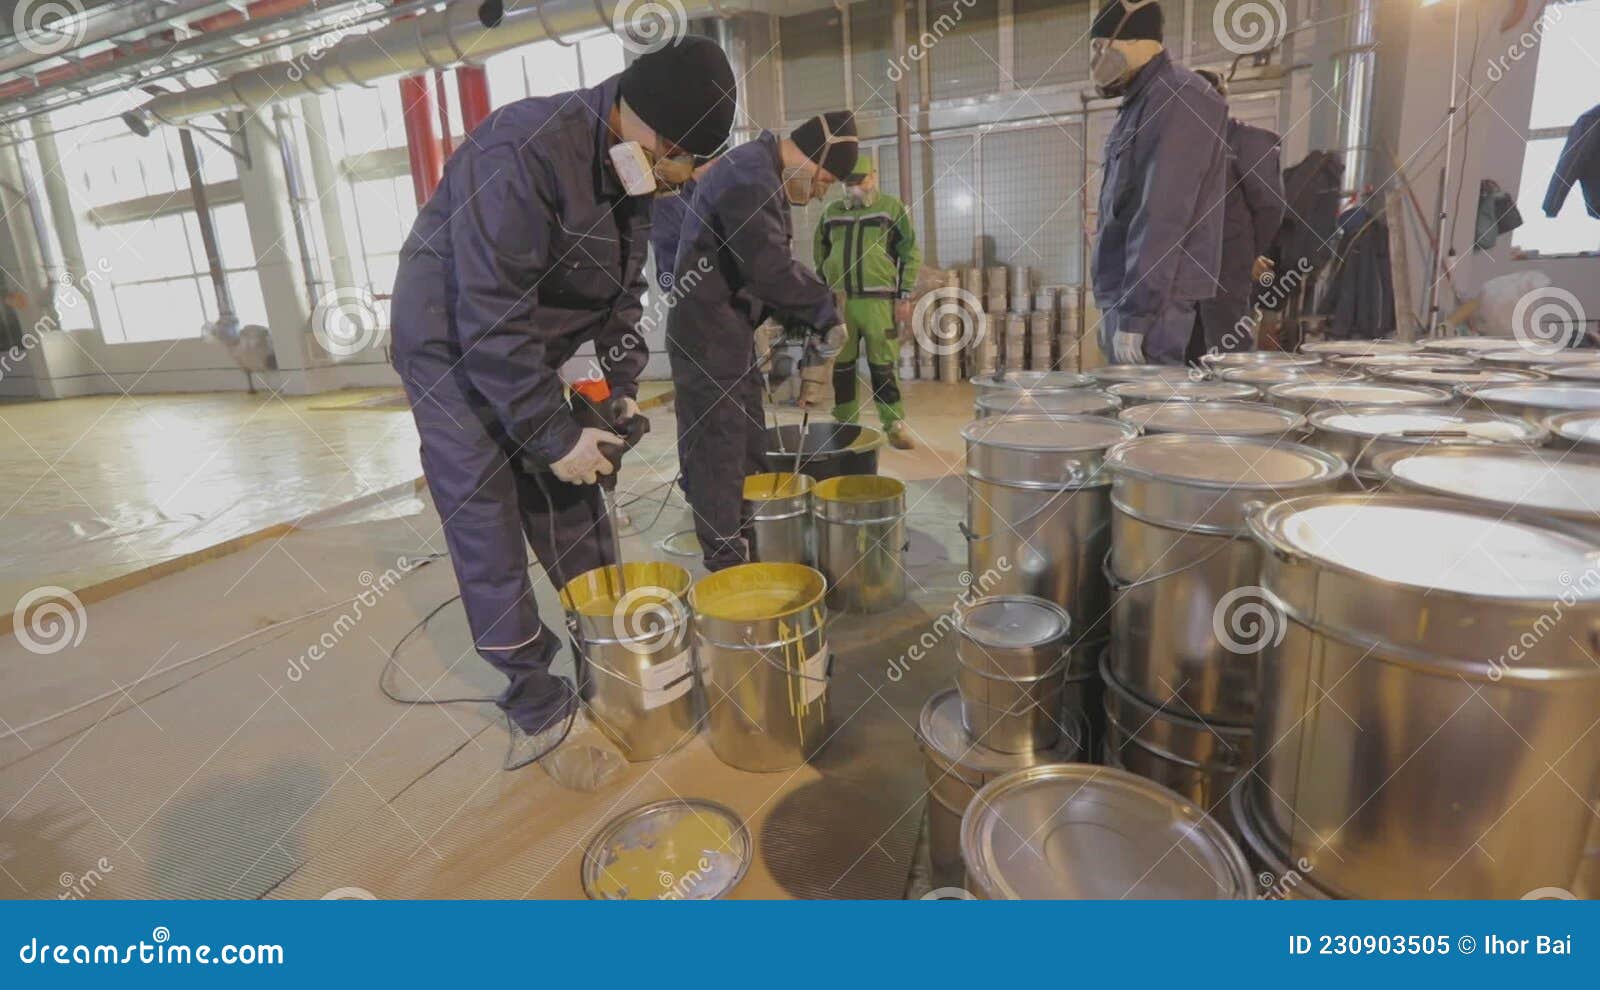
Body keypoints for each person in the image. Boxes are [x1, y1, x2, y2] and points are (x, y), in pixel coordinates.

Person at [389, 37, 737, 770]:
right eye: (677, 157)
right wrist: (549, 431)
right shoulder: (518, 152)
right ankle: (532, 696)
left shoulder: (632, 173)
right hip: (450, 341)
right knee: (486, 505)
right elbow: (487, 313)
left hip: (535, 340)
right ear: (642, 123)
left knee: (578, 494)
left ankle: (603, 661)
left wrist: (610, 395)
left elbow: (616, 300)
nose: (678, 177)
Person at [668, 111, 857, 572]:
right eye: (824, 180)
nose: (818, 193)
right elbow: (768, 268)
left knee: (748, 444)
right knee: (721, 453)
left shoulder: (759, 172)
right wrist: (824, 312)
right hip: (708, 341)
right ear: (810, 157)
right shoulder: (751, 178)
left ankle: (750, 541)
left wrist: (797, 321)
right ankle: (729, 569)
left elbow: (754, 272)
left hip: (727, 337)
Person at [1089, 0, 1228, 366]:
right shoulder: (1142, 101)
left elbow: (1162, 213)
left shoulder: (1181, 97)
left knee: (1147, 410)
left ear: (1135, 41)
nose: (1097, 58)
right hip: (1130, 292)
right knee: (1127, 410)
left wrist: (1137, 313)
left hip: (1155, 299)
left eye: (1102, 45)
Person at [814, 154, 920, 450]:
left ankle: (894, 425)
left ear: (872, 176)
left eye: (860, 181)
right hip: (840, 302)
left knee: (882, 364)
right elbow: (820, 253)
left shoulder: (891, 208)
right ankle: (845, 424)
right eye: (848, 183)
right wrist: (824, 292)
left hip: (878, 302)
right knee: (843, 366)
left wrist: (905, 294)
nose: (854, 188)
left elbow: (910, 252)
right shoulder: (832, 212)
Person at [1188, 68, 1286, 361]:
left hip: (1226, 269)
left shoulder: (1246, 141)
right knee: (1186, 355)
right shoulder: (1180, 148)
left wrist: (1245, 251)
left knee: (1227, 353)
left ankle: (1236, 404)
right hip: (1181, 273)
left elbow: (1270, 205)